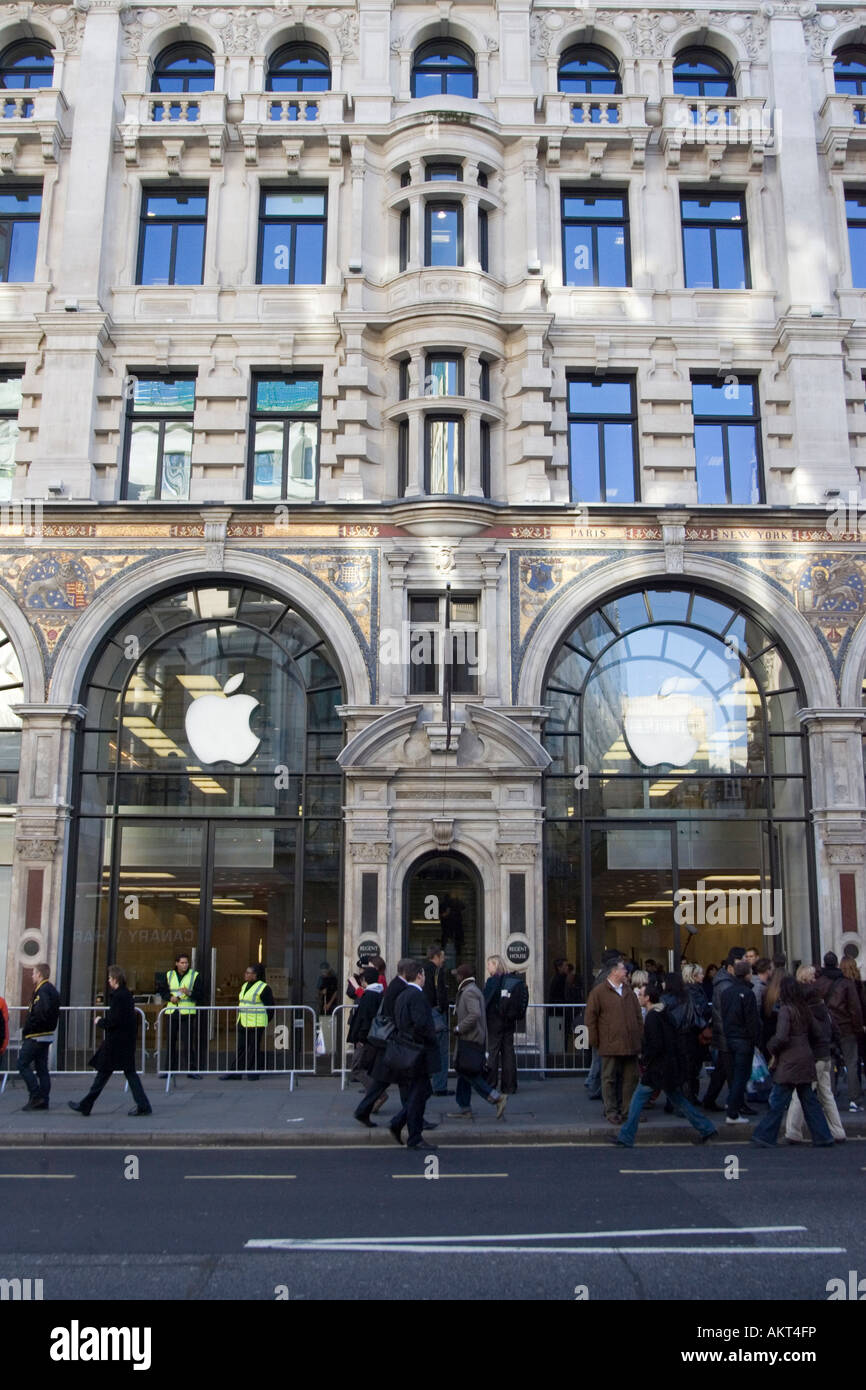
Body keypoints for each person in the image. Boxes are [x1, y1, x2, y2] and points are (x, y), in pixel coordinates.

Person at [615, 987, 717, 1147]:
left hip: (657, 1068)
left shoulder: (652, 1017)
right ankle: (707, 1128)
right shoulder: (664, 1014)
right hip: (668, 1067)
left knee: (637, 1099)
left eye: (641, 995)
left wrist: (645, 1059)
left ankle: (626, 1136)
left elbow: (655, 1045)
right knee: (680, 1100)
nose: (639, 997)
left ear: (648, 998)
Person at [751, 977, 835, 1148]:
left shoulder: (786, 1010)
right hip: (806, 1057)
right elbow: (818, 1033)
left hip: (790, 1060)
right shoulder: (804, 1009)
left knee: (778, 1100)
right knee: (809, 1100)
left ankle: (765, 1135)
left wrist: (770, 1046)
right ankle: (823, 1136)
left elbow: (781, 1036)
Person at [68, 966, 151, 1116]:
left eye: (110, 978)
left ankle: (86, 1104)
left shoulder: (119, 996)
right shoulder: (125, 995)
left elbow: (115, 1021)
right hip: (124, 1041)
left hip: (117, 1042)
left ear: (115, 979)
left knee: (106, 1074)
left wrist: (100, 1021)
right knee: (125, 1073)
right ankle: (143, 1104)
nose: (108, 981)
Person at [785, 966, 846, 1144]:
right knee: (826, 1095)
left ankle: (793, 1131)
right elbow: (834, 1031)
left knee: (800, 1094)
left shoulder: (804, 1011)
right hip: (825, 1056)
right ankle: (838, 1131)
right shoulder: (824, 1010)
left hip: (811, 1058)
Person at [354, 959, 413, 1127]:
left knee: (391, 1081)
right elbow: (395, 1013)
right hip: (392, 1041)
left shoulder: (395, 985)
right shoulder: (399, 987)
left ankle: (411, 1116)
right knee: (393, 1080)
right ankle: (411, 1117)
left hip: (390, 1041)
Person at [585, 957, 643, 1124]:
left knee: (630, 1079)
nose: (626, 972)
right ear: (614, 972)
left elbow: (638, 1016)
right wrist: (596, 1041)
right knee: (609, 1079)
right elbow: (591, 1018)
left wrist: (639, 1036)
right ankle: (611, 1111)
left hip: (630, 1043)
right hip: (610, 1043)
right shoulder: (599, 992)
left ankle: (627, 1111)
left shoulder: (628, 991)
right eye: (623, 969)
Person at [389, 961, 440, 1149]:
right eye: (424, 975)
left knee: (422, 1092)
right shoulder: (417, 996)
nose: (425, 978)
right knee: (420, 1093)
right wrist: (430, 1037)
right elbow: (420, 1024)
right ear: (419, 975)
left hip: (407, 1051)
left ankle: (400, 1123)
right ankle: (414, 1136)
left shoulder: (402, 995)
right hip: (418, 1053)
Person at [449, 963, 507, 1120]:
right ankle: (465, 1108)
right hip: (470, 1038)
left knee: (469, 1073)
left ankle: (496, 1097)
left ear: (462, 976)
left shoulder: (469, 992)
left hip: (470, 1039)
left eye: (457, 975)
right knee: (463, 1072)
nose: (455, 977)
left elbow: (474, 1015)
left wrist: (459, 1028)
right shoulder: (471, 989)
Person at [815, 951, 864, 1112]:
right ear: (836, 964)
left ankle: (830, 1096)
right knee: (851, 1062)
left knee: (830, 1063)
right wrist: (858, 1029)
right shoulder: (847, 983)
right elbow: (855, 1008)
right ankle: (854, 1099)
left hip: (826, 1028)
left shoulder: (818, 982)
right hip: (845, 1027)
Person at [701, 948, 745, 1112]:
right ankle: (737, 1104)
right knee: (733, 1071)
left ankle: (709, 1099)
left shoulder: (724, 982)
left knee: (721, 1070)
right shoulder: (726, 985)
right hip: (728, 1033)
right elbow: (728, 1011)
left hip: (724, 1032)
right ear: (733, 965)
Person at [720, 959, 760, 1124]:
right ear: (748, 974)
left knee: (736, 1075)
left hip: (730, 1037)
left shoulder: (726, 992)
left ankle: (732, 1105)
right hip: (744, 1039)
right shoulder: (748, 993)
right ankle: (733, 1112)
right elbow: (752, 1021)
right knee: (741, 1076)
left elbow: (723, 1015)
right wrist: (756, 1040)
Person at [18, 963, 60, 1111]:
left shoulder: (42, 991)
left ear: (40, 975)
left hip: (36, 1035)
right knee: (42, 1067)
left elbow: (41, 1012)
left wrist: (30, 1028)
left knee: (22, 1064)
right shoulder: (50, 989)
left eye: (34, 973)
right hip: (45, 1035)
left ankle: (36, 1096)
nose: (32, 976)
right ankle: (44, 1099)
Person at [484, 954, 524, 1095]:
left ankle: (490, 1084)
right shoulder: (512, 981)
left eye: (489, 964)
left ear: (495, 965)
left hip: (494, 1021)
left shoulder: (492, 981)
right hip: (509, 1020)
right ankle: (509, 1086)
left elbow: (486, 1001)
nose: (488, 967)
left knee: (493, 1052)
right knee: (508, 1052)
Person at [225, 964, 274, 1080]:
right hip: (243, 1021)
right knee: (241, 1048)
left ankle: (253, 1073)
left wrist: (264, 1020)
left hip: (256, 1023)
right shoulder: (244, 986)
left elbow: (270, 1007)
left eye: (248, 973)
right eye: (246, 972)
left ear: (255, 975)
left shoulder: (263, 988)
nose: (245, 975)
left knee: (253, 1049)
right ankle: (236, 1073)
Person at [161, 952, 203, 1078]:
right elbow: (162, 991)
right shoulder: (169, 975)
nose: (185, 965)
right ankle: (169, 1070)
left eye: (186, 963)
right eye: (182, 963)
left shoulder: (194, 976)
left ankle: (191, 1070)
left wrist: (189, 992)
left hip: (187, 1013)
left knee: (188, 1042)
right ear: (176, 963)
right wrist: (170, 997)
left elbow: (200, 994)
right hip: (172, 1011)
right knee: (170, 1042)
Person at [422, 944, 452, 1096]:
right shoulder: (437, 971)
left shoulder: (421, 970)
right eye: (442, 957)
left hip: (424, 1014)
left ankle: (424, 1083)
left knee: (426, 1049)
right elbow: (440, 993)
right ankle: (440, 1086)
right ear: (436, 957)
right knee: (441, 1051)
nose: (444, 960)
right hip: (436, 1013)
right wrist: (443, 1008)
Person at [346, 965, 383, 1084]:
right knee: (366, 1067)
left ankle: (376, 1092)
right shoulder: (377, 993)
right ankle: (374, 1093)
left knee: (357, 1068)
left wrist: (361, 1038)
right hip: (371, 1037)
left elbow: (365, 1018)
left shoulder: (369, 995)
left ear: (364, 980)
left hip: (365, 1038)